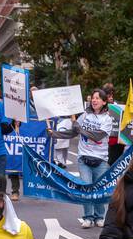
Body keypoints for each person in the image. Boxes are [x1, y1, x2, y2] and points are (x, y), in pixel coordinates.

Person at [47, 89, 113, 227]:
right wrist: (55, 134)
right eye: (93, 98)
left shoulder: (107, 119)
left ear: (104, 102)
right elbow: (73, 133)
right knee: (86, 187)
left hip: (100, 160)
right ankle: (88, 217)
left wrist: (77, 126)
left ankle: (99, 217)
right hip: (84, 158)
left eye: (97, 98)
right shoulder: (84, 116)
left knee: (99, 189)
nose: (94, 100)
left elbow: (96, 136)